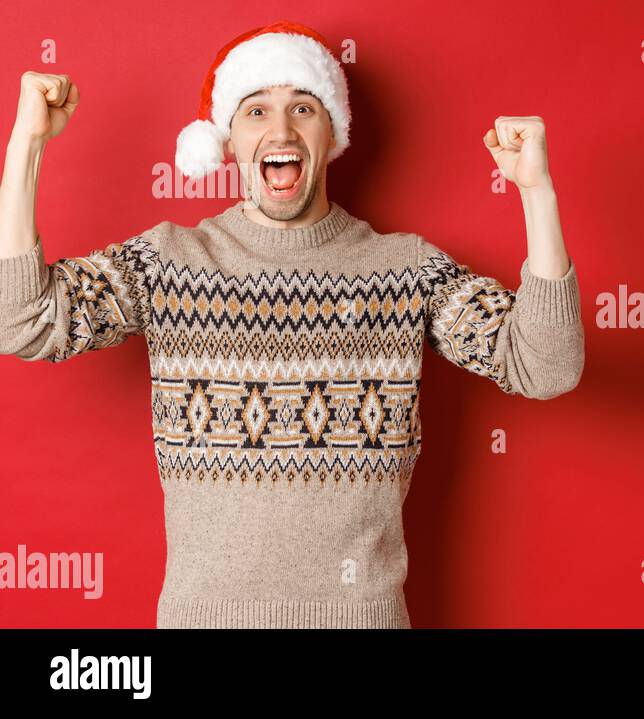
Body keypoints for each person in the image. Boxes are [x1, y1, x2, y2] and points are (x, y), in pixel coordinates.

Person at [0, 20, 585, 628]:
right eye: (256, 110)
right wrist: (25, 146)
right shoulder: (170, 263)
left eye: (303, 107)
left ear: (332, 132)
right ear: (228, 140)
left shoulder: (404, 270)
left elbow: (544, 366)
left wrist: (536, 192)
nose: (280, 130)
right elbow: (21, 320)